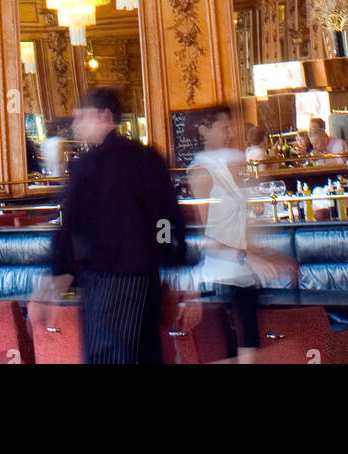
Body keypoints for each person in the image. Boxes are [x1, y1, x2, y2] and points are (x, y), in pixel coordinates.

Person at [44, 88, 186, 363]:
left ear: (104, 115)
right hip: (148, 282)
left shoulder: (88, 165)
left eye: (81, 117)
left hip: (108, 285)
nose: (76, 125)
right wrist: (167, 258)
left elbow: (69, 225)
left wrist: (58, 275)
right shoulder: (149, 157)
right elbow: (167, 219)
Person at [188, 104, 293, 364]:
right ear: (203, 131)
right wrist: (249, 258)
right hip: (219, 279)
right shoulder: (201, 172)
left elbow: (239, 224)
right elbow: (204, 240)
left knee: (251, 354)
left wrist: (268, 256)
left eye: (231, 126)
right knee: (230, 354)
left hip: (242, 276)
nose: (230, 132)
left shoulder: (230, 165)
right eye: (223, 127)